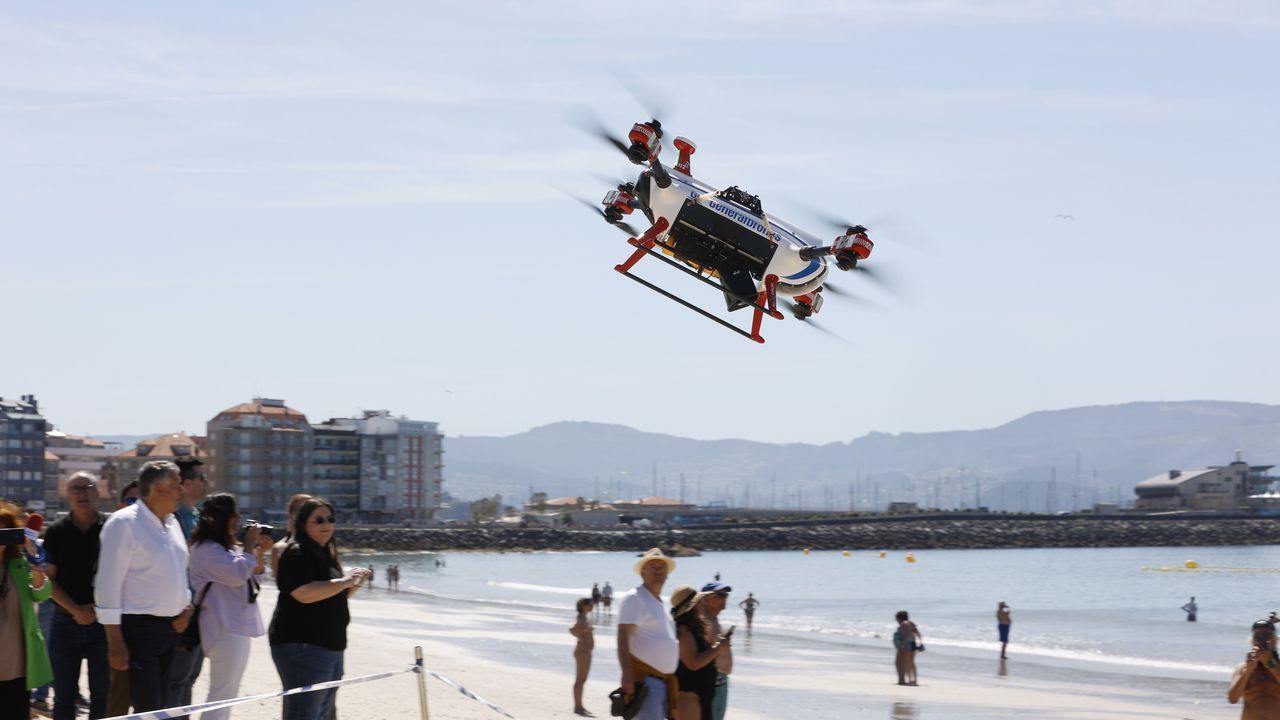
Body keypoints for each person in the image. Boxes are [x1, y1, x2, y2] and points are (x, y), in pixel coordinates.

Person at [95, 460, 193, 713]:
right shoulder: (123, 523)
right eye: (178, 484)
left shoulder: (173, 524)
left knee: (158, 709)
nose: (182, 490)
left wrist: (186, 608)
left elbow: (179, 574)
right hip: (136, 631)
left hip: (170, 631)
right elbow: (107, 586)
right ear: (159, 489)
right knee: (141, 709)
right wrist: (115, 642)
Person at [269, 498, 371, 720]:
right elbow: (302, 593)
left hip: (329, 646)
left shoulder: (325, 552)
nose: (326, 524)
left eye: (330, 519)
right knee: (304, 713)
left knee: (321, 713)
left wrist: (353, 584)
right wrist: (344, 582)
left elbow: (332, 595)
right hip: (303, 646)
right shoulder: (297, 551)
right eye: (318, 520)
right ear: (303, 523)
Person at [189, 493, 272, 720]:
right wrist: (247, 546)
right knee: (221, 694)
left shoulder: (225, 548)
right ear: (222, 517)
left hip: (235, 626)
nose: (238, 518)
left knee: (227, 694)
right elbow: (237, 574)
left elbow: (252, 578)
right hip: (222, 628)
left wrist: (258, 551)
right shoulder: (205, 549)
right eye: (234, 513)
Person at [42, 472, 111, 720]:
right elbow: (48, 579)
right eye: (76, 488)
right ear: (66, 494)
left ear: (98, 492)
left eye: (87, 487)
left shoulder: (112, 529)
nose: (82, 493)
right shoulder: (56, 533)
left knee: (103, 697)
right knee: (63, 698)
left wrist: (96, 607)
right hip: (64, 622)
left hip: (104, 623)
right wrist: (76, 610)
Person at [0, 500, 54, 718]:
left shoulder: (20, 564)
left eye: (4, 531)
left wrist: (35, 561)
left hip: (18, 665)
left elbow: (42, 593)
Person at [165, 458, 209, 719]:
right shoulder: (172, 519)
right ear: (188, 483)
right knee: (176, 681)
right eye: (202, 478)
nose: (206, 483)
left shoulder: (196, 516)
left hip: (199, 611)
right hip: (180, 612)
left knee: (189, 679)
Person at [617, 548, 679, 720]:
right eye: (653, 566)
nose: (658, 571)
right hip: (646, 682)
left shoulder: (661, 603)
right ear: (643, 571)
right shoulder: (635, 598)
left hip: (663, 683)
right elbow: (622, 636)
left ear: (667, 574)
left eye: (662, 567)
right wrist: (626, 674)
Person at [105, 479, 141, 719]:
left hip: (153, 634)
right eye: (131, 500)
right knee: (118, 699)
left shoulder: (163, 532)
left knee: (150, 703)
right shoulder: (112, 533)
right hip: (118, 632)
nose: (136, 506)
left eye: (141, 501)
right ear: (120, 504)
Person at [672, 585, 729, 720]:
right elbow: (693, 663)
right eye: (698, 601)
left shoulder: (692, 630)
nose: (701, 604)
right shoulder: (684, 631)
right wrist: (719, 648)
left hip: (698, 695)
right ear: (692, 606)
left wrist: (717, 648)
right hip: (688, 697)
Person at [1228, 619, 1280, 718]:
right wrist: (1249, 670)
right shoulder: (1243, 668)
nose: (1263, 640)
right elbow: (1233, 699)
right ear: (1252, 640)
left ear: (1275, 640)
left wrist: (1269, 661)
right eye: (1259, 636)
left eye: (1267, 635)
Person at [699, 583, 733, 720]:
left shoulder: (713, 620)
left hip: (720, 681)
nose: (724, 598)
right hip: (714, 681)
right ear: (705, 599)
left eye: (725, 595)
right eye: (719, 595)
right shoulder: (705, 622)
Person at [569, 597, 594, 717]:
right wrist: (582, 633)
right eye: (590, 604)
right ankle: (577, 707)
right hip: (582, 651)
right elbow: (572, 630)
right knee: (580, 680)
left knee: (582, 680)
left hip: (586, 651)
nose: (592, 605)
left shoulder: (584, 617)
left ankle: (580, 706)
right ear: (584, 605)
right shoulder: (580, 617)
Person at [893, 610, 923, 686]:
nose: (896, 621)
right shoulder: (911, 623)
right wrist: (920, 643)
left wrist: (902, 644)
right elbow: (918, 634)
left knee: (906, 663)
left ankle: (909, 680)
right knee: (912, 662)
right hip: (913, 644)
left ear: (899, 619)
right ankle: (915, 680)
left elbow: (906, 635)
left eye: (896, 619)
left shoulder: (903, 624)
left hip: (907, 645)